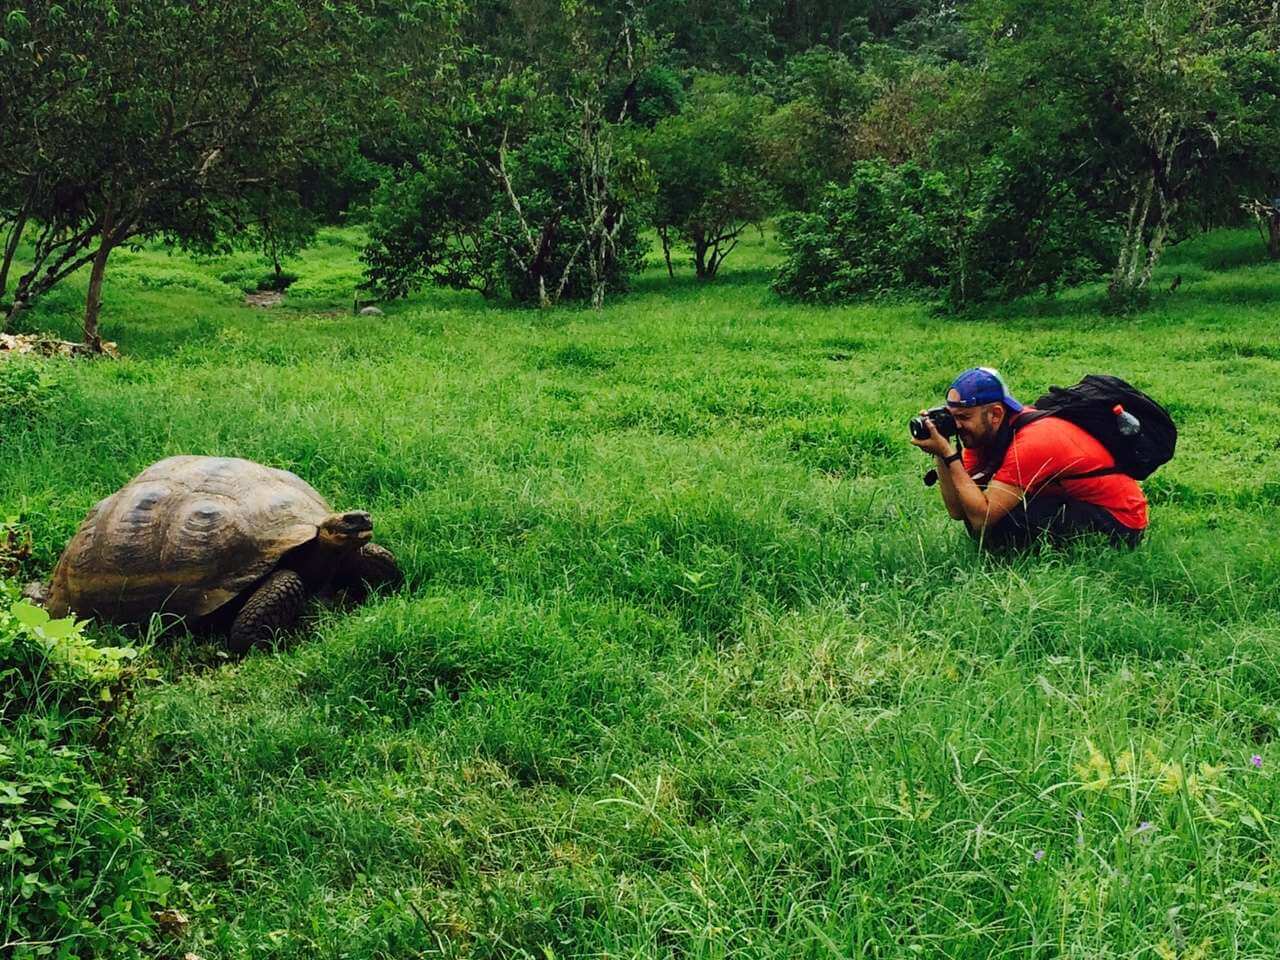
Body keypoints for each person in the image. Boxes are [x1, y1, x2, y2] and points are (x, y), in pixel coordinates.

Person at [910, 367, 1147, 549]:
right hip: (1075, 503)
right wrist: (942, 453)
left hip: (1119, 522)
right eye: (952, 417)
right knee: (989, 520)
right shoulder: (981, 434)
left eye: (964, 416)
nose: (957, 425)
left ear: (995, 414)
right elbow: (959, 509)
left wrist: (950, 456)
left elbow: (981, 517)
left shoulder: (1033, 441)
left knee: (1001, 525)